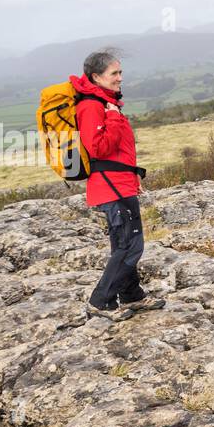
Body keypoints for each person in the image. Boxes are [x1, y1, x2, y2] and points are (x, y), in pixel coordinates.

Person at [72, 49, 165, 319]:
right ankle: (100, 301)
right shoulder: (92, 106)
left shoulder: (105, 102)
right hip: (110, 188)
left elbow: (118, 151)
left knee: (123, 243)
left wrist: (132, 173)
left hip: (118, 183)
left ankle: (131, 296)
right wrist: (112, 117)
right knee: (130, 246)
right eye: (114, 73)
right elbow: (98, 148)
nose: (120, 78)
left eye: (120, 72)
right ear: (96, 76)